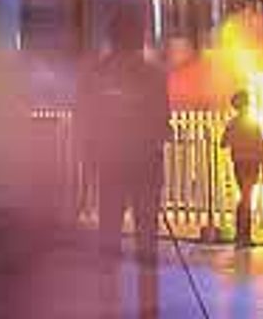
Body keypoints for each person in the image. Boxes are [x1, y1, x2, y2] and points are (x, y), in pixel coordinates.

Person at [83, 20, 171, 318]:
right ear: (138, 40)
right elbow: (163, 124)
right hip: (146, 170)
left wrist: (93, 157)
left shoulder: (96, 74)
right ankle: (148, 309)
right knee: (147, 245)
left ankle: (107, 306)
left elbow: (87, 123)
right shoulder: (152, 75)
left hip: (110, 169)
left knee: (108, 242)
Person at [220, 102, 263, 247]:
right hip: (252, 163)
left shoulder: (233, 124)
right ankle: (243, 234)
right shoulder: (254, 124)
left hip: (240, 162)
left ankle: (242, 234)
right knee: (247, 197)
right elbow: (261, 146)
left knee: (246, 196)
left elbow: (223, 143)